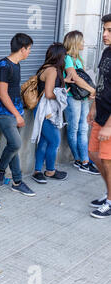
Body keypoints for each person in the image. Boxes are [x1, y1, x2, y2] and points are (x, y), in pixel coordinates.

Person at [0, 33, 36, 197]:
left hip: (15, 111)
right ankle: (0, 168)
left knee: (14, 146)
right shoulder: (4, 66)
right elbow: (3, 95)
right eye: (29, 49)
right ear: (22, 48)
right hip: (4, 113)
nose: (30, 52)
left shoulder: (16, 65)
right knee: (16, 144)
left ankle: (17, 181)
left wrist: (19, 113)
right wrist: (17, 115)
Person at [31, 43, 69, 184]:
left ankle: (37, 171)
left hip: (42, 109)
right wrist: (62, 94)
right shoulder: (52, 70)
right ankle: (50, 170)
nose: (65, 58)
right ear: (60, 56)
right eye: (64, 55)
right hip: (46, 110)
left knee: (44, 141)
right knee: (54, 141)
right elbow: (48, 93)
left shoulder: (44, 68)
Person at [63, 31, 99, 175]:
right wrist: (92, 90)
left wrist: (90, 91)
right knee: (74, 129)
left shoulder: (78, 59)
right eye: (82, 41)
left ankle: (82, 160)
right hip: (72, 98)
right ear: (75, 42)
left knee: (83, 129)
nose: (84, 43)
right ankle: (82, 161)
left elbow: (83, 77)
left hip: (82, 98)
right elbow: (75, 78)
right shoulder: (67, 58)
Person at [89, 14, 111, 218]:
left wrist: (109, 125)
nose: (104, 34)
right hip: (101, 113)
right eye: (104, 29)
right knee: (94, 155)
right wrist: (93, 107)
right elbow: (100, 83)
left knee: (107, 161)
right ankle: (109, 193)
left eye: (110, 31)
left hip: (110, 121)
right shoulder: (106, 52)